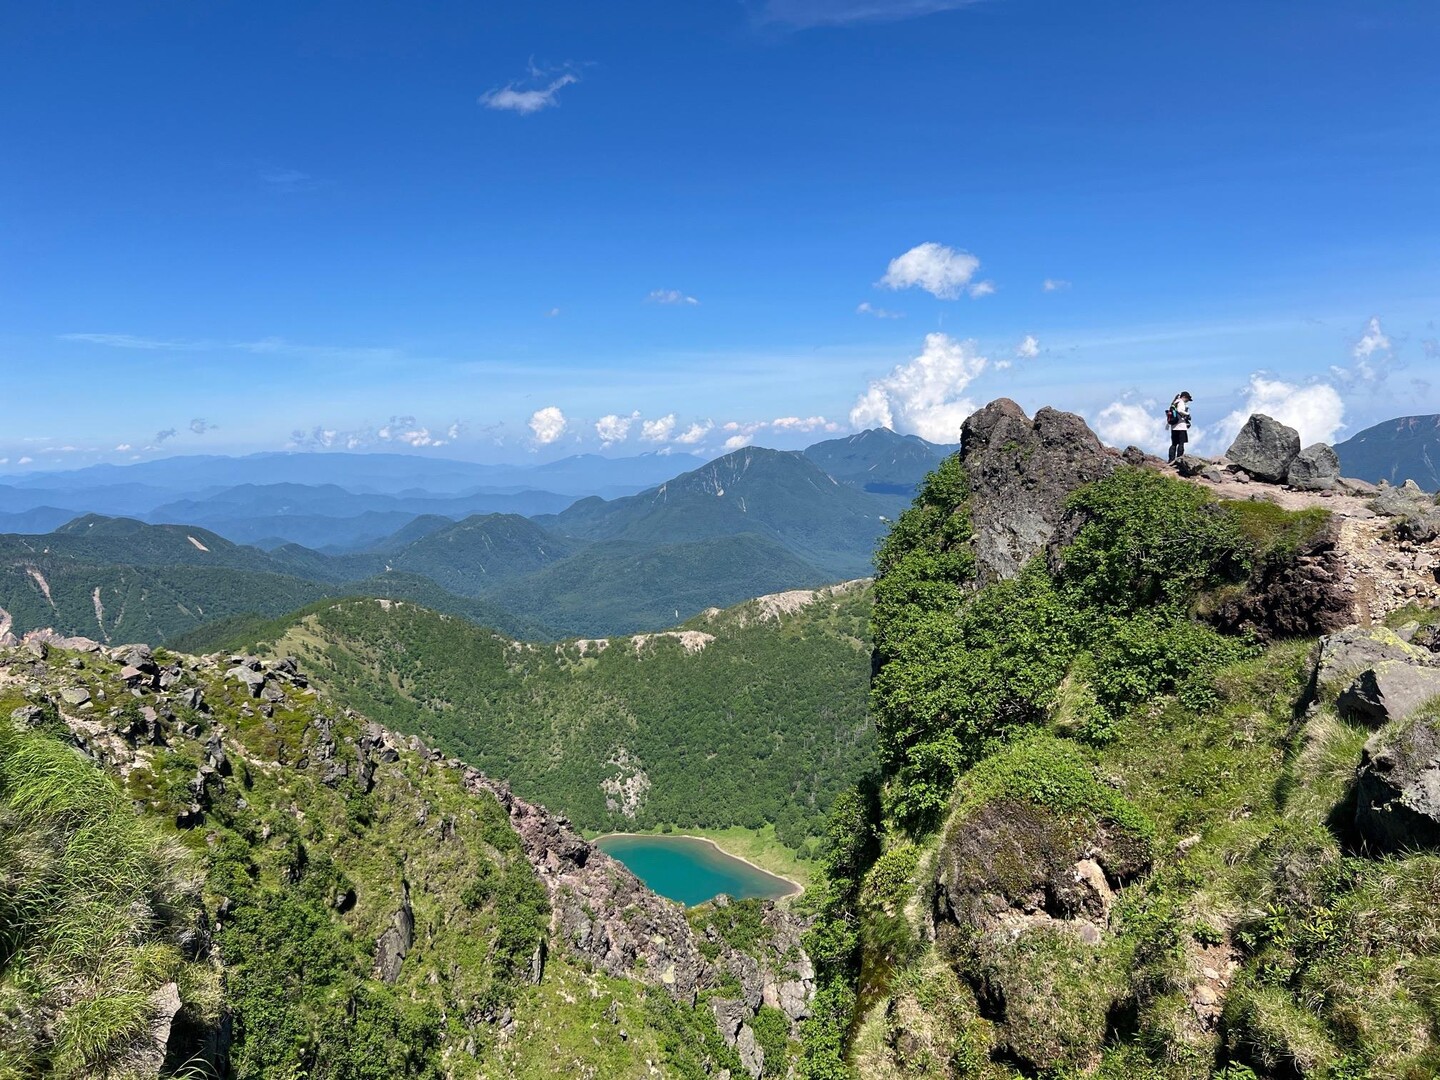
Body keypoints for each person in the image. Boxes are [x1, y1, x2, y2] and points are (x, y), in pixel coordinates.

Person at [1167, 391, 1192, 463]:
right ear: (1184, 397)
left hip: (1173, 427)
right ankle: (1179, 460)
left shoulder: (1174, 403)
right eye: (1187, 399)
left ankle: (1171, 459)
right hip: (1181, 427)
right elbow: (1179, 410)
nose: (1187, 401)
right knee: (1181, 443)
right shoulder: (1181, 402)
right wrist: (1187, 414)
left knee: (1174, 444)